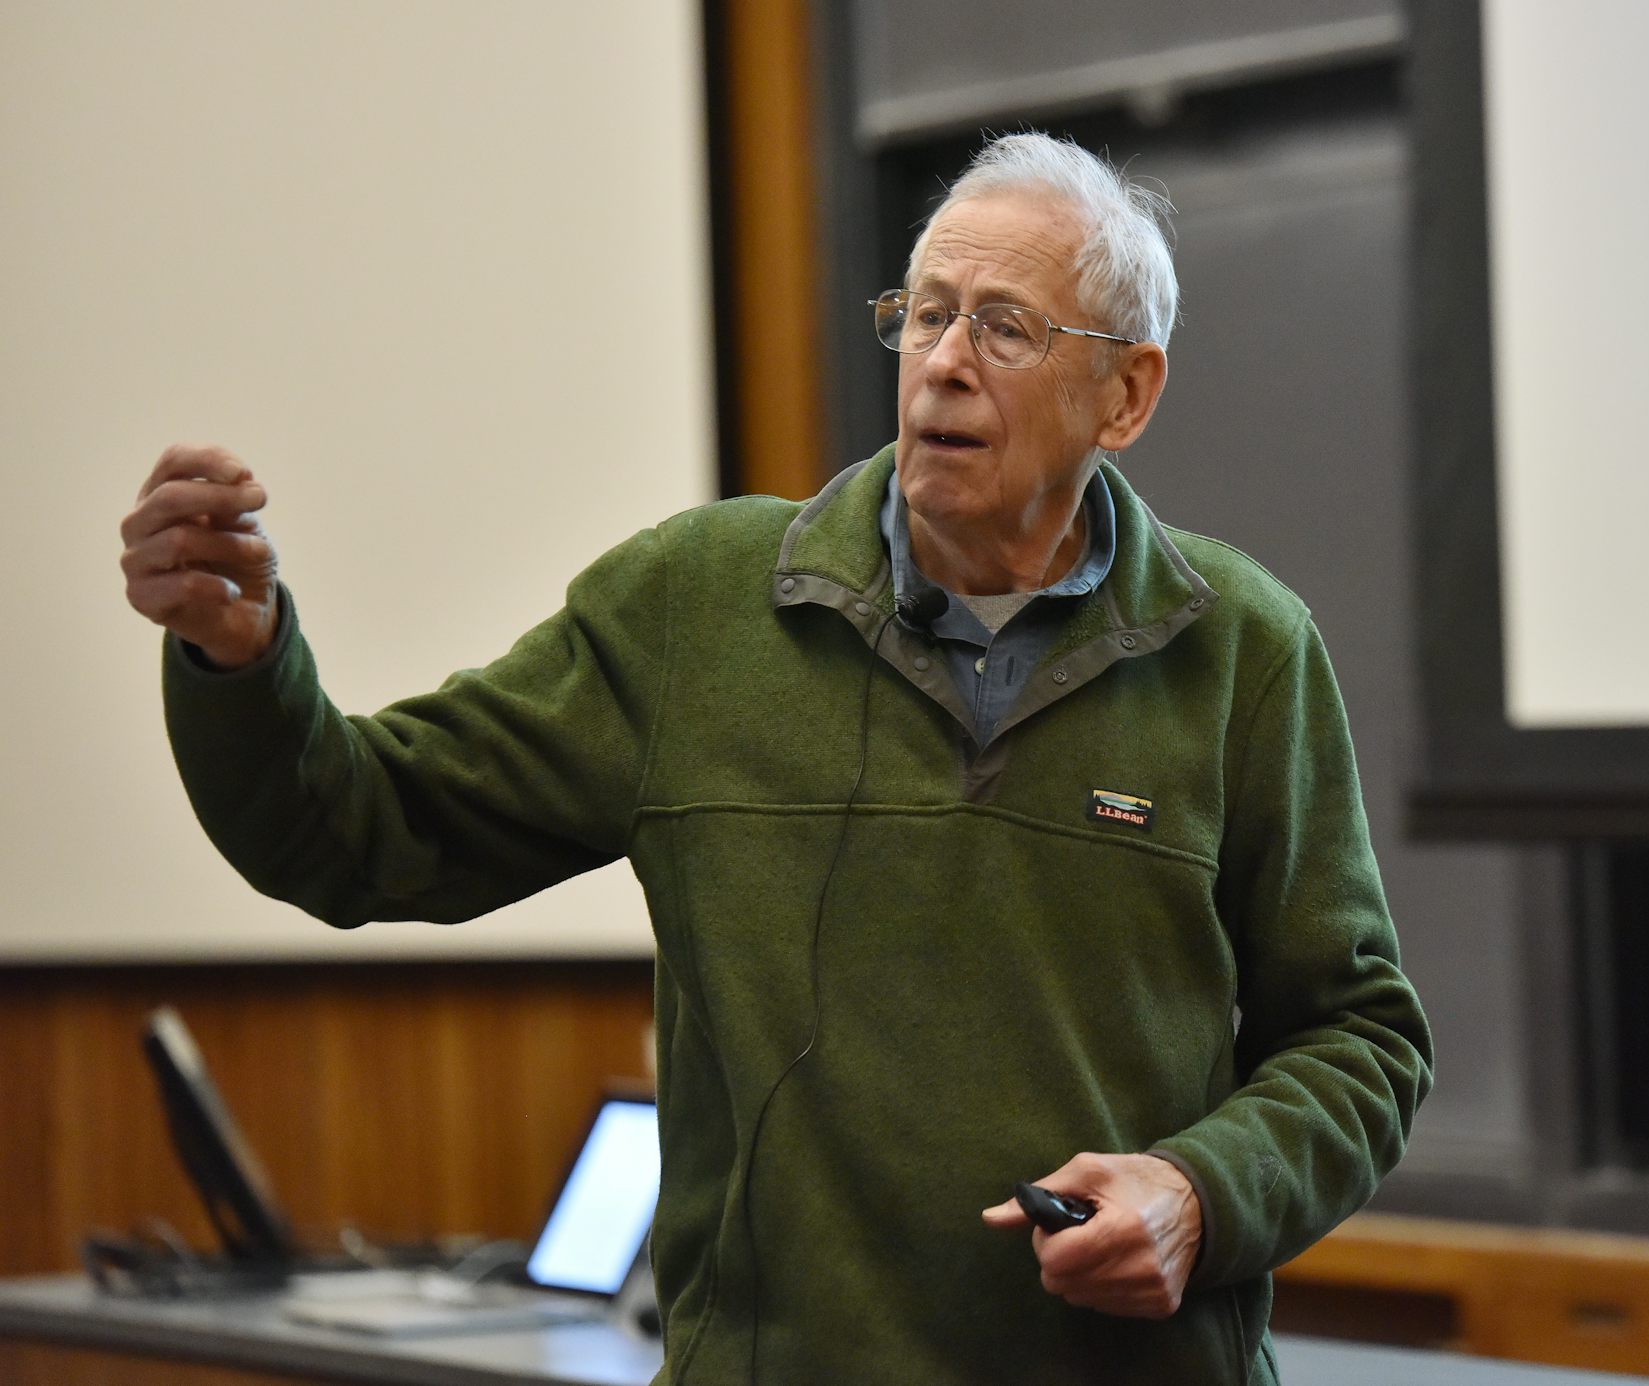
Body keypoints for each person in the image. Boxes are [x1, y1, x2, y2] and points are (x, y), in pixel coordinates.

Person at [122, 132, 1432, 1385]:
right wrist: (242, 665)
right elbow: (359, 827)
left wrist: (1202, 1194)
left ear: (1127, 393)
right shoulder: (699, 604)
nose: (943, 364)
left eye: (1006, 327)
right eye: (924, 313)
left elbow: (1360, 1036)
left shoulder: (1243, 650)